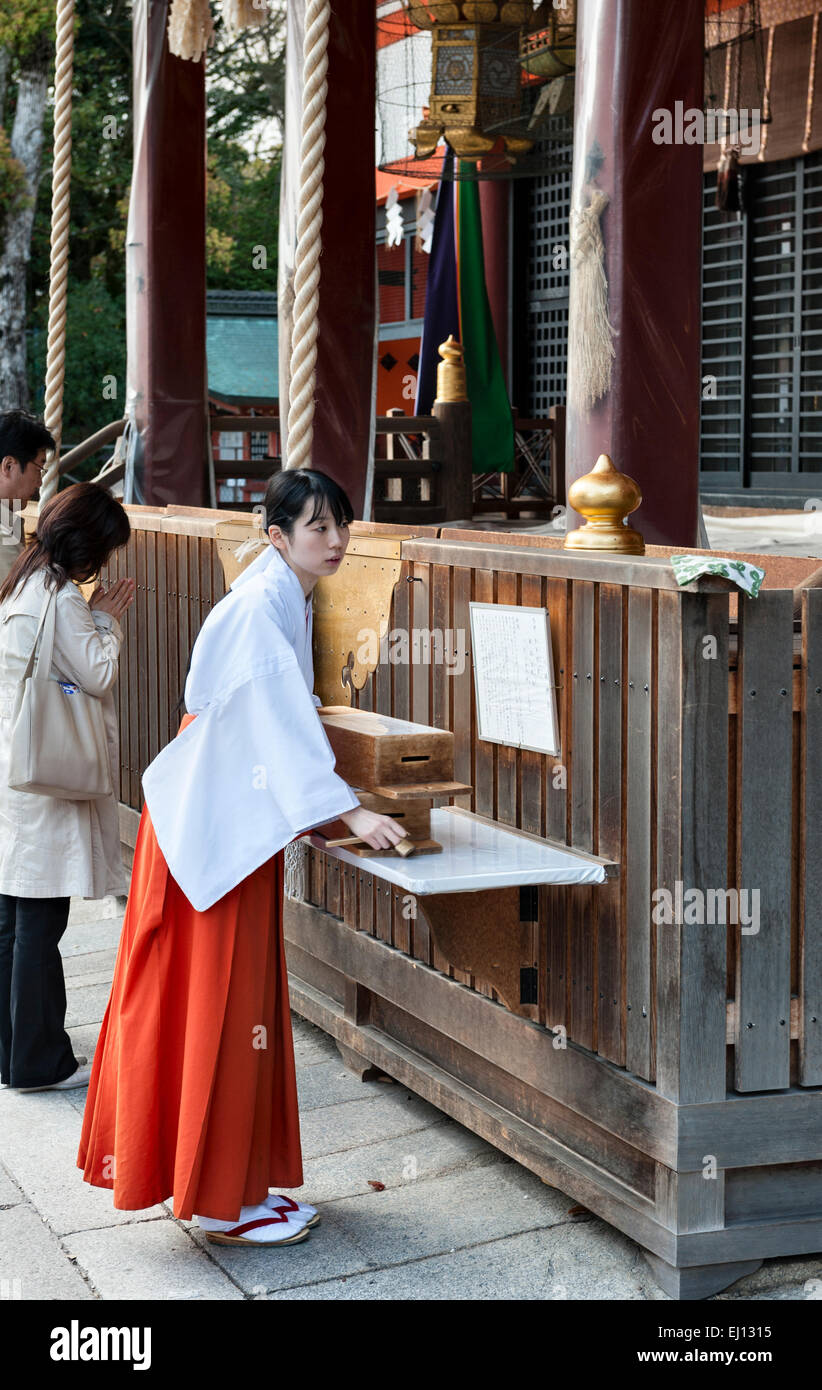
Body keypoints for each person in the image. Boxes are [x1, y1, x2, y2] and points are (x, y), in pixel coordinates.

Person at [77, 468, 406, 1248]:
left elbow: (283, 723)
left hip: (228, 820)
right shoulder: (262, 609)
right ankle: (219, 1198)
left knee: (234, 1007)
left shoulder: (279, 596)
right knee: (218, 1010)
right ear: (276, 536)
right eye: (317, 528)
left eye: (341, 526)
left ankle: (230, 1184)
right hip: (213, 830)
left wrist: (333, 803)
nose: (335, 541)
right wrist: (348, 809)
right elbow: (277, 727)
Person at [0, 483, 135, 1093]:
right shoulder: (62, 598)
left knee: (11, 921)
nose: (104, 563)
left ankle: (13, 1054)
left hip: (15, 767)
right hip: (45, 779)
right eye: (105, 548)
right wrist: (106, 615)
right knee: (39, 926)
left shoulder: (22, 583)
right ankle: (39, 1061)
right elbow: (98, 674)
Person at [0, 410, 56, 586]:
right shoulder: (2, 537)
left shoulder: (8, 520)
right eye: (39, 468)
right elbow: (18, 607)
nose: (40, 482)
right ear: (8, 466)